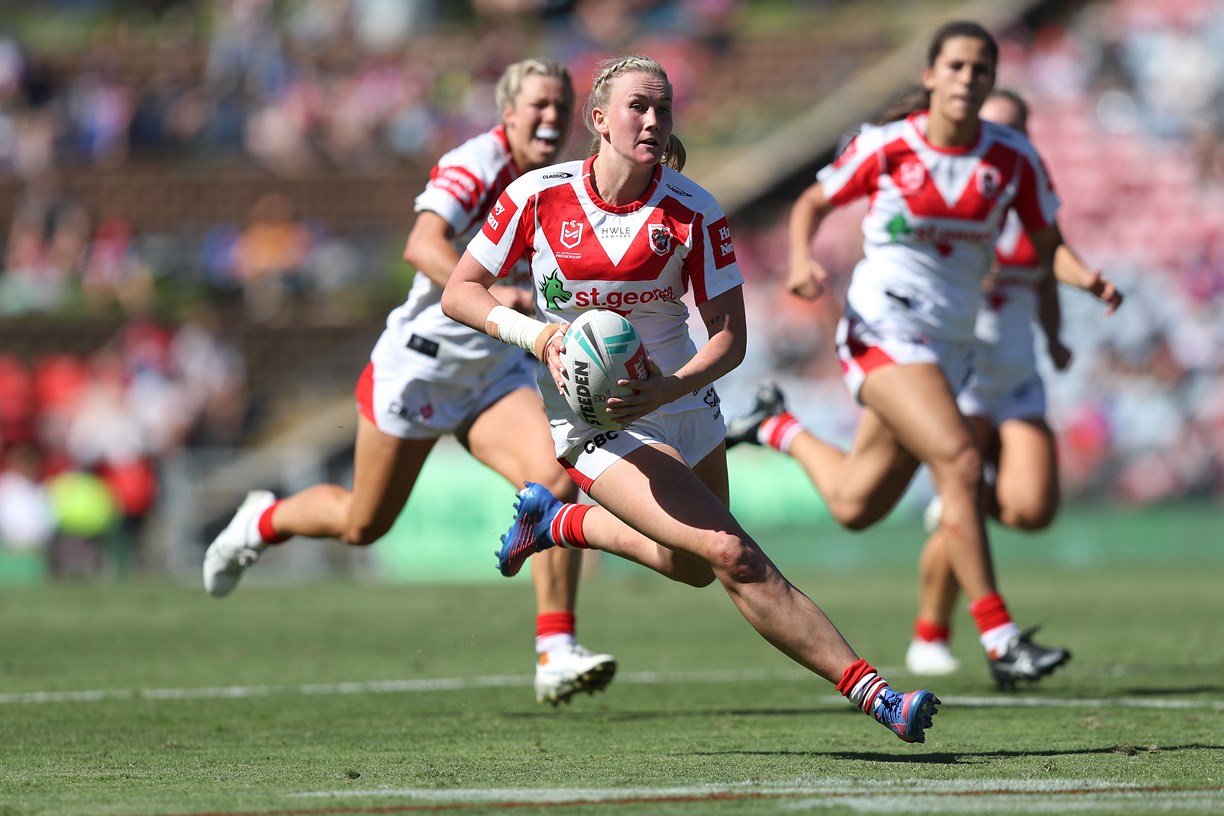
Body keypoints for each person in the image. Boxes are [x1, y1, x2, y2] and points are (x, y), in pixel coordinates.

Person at [440, 54, 940, 743]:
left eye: (662, 109)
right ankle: (877, 694)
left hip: (680, 399)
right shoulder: (537, 196)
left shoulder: (694, 210)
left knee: (692, 567)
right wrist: (540, 338)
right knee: (732, 556)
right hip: (591, 419)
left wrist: (669, 388)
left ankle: (558, 524)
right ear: (599, 121)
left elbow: (729, 339)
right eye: (637, 107)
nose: (651, 120)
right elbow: (459, 291)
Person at [202, 58, 617, 707]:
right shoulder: (477, 161)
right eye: (539, 105)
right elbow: (421, 243)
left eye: (561, 107)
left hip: (493, 373)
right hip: (422, 362)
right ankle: (264, 519)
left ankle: (554, 650)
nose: (551, 117)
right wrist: (492, 295)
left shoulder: (560, 184)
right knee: (363, 523)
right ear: (506, 114)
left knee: (553, 481)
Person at [723, 21, 1123, 690]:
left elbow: (1048, 241)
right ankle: (999, 637)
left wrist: (1090, 279)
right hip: (883, 325)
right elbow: (815, 201)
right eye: (957, 66)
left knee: (857, 505)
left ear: (991, 80)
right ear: (932, 75)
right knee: (960, 461)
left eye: (980, 68)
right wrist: (799, 261)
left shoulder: (1011, 159)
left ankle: (774, 426)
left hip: (949, 347)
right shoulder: (889, 146)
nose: (968, 78)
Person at [905, 88, 1122, 675]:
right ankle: (931, 635)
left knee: (1032, 509)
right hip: (964, 380)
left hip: (1019, 378)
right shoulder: (946, 197)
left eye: (1013, 129)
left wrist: (1055, 335)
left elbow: (1048, 268)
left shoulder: (1030, 201)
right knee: (964, 497)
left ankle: (959, 510)